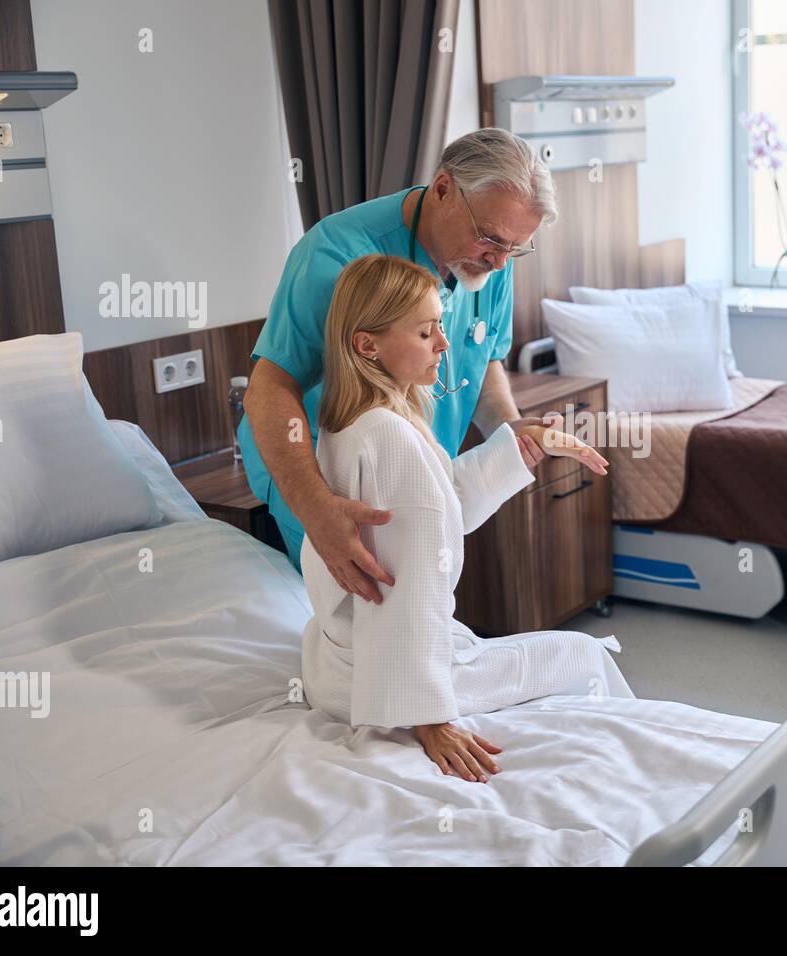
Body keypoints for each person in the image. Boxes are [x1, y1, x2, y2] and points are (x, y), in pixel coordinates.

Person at [299, 254, 634, 781]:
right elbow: (403, 589)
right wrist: (430, 717)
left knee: (560, 652)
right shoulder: (389, 438)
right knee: (581, 654)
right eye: (426, 331)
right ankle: (627, 772)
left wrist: (523, 446)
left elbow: (435, 506)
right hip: (385, 679)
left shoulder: (348, 422)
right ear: (368, 345)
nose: (444, 343)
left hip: (339, 664)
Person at [238, 128, 568, 599]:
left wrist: (509, 433)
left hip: (414, 462)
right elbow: (268, 390)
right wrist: (317, 509)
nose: (498, 264)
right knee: (355, 617)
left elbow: (484, 355)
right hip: (325, 473)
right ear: (442, 189)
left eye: (514, 249)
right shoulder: (336, 256)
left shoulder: (494, 254)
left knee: (413, 607)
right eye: (490, 241)